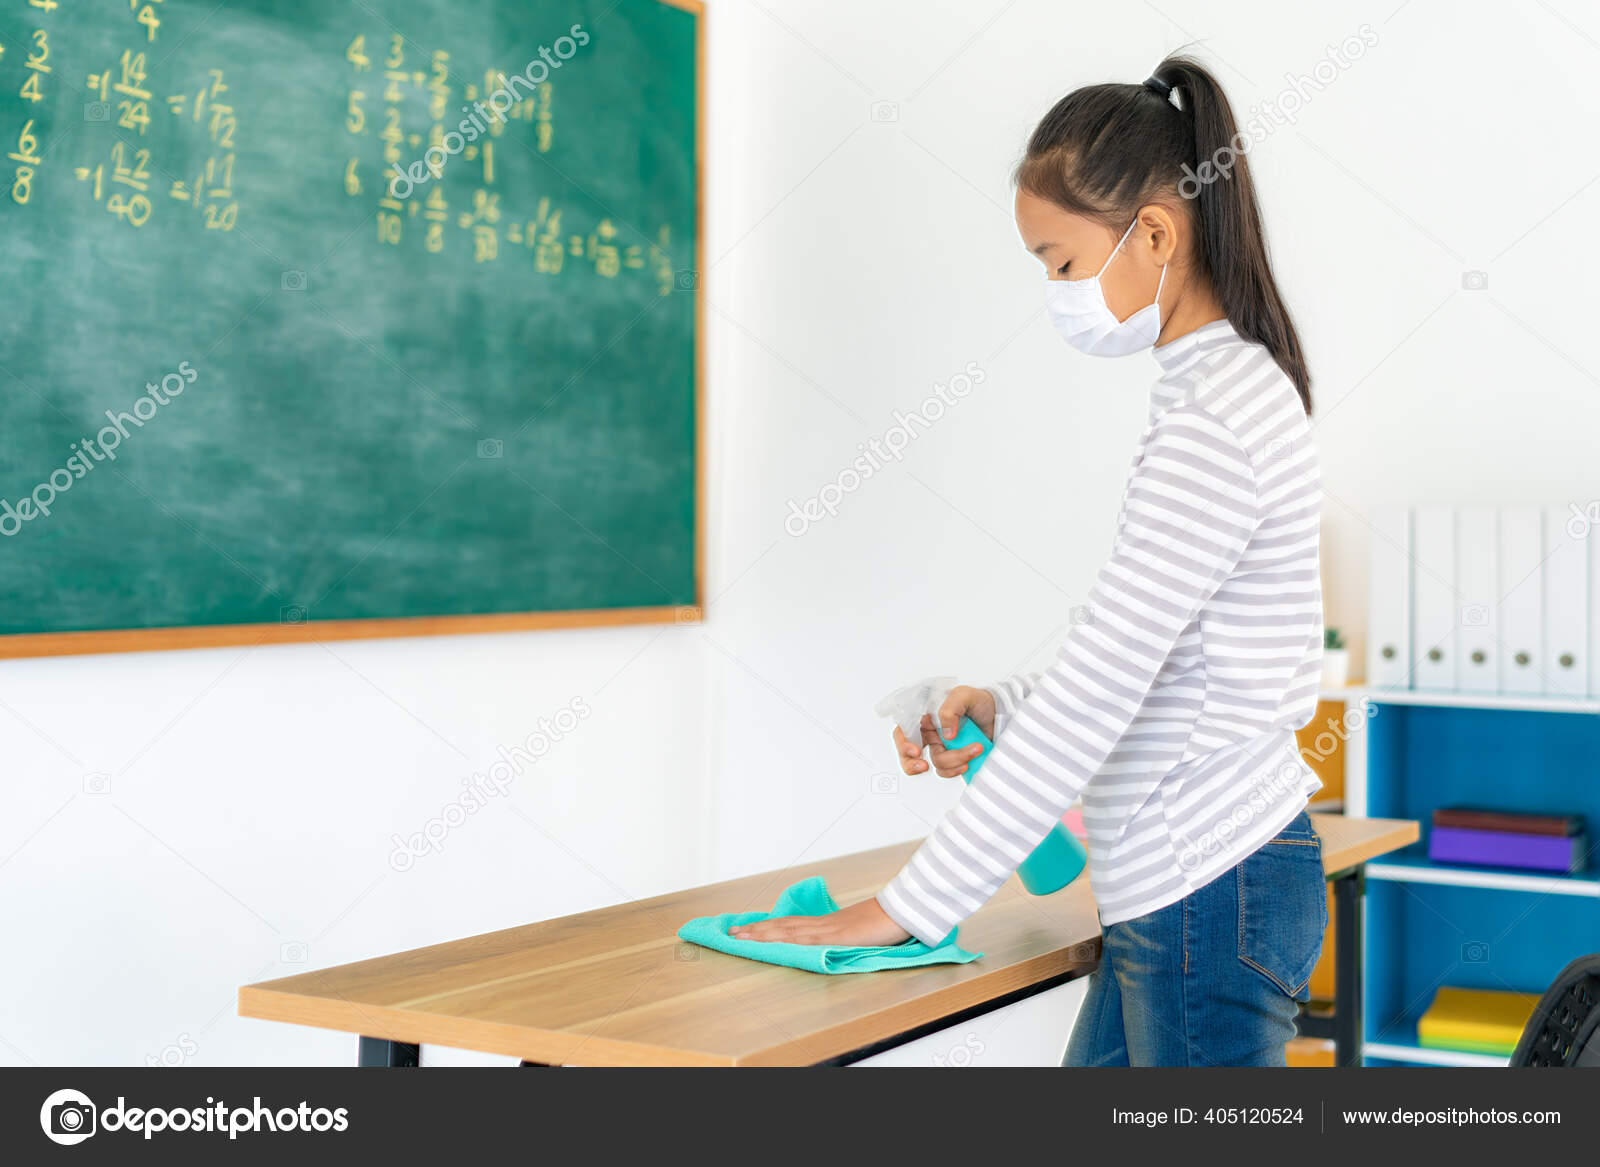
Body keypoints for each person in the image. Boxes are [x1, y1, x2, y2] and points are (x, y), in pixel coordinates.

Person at [733, 54, 1327, 1067]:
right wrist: (1004, 703)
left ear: (1153, 232)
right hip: (1193, 885)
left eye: (1059, 262)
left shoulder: (1212, 421)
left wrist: (912, 905)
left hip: (1206, 888)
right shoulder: (1217, 390)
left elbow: (1104, 686)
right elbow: (1144, 646)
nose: (1055, 292)